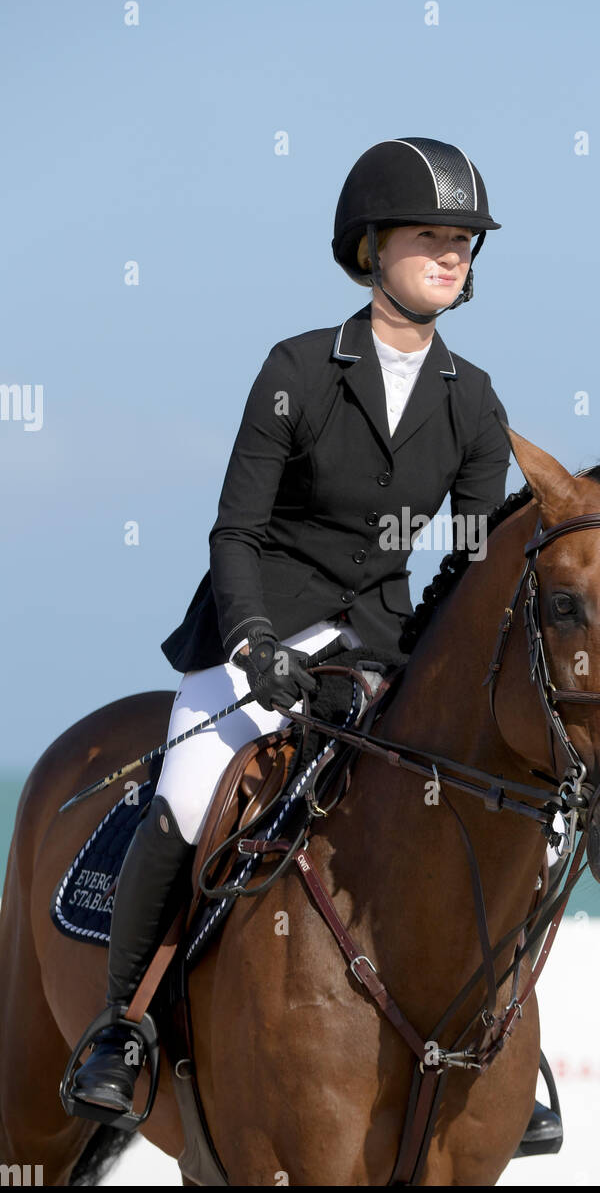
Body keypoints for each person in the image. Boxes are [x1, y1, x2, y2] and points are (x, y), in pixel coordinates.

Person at [70, 136, 517, 1124]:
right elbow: (235, 528)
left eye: (465, 241)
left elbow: (468, 561)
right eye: (430, 236)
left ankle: (504, 1052)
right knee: (190, 798)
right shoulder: (299, 369)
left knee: (467, 826)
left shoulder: (473, 400)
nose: (453, 255)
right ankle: (119, 1030)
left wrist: (438, 665)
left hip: (377, 649)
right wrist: (255, 642)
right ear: (369, 246)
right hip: (256, 628)